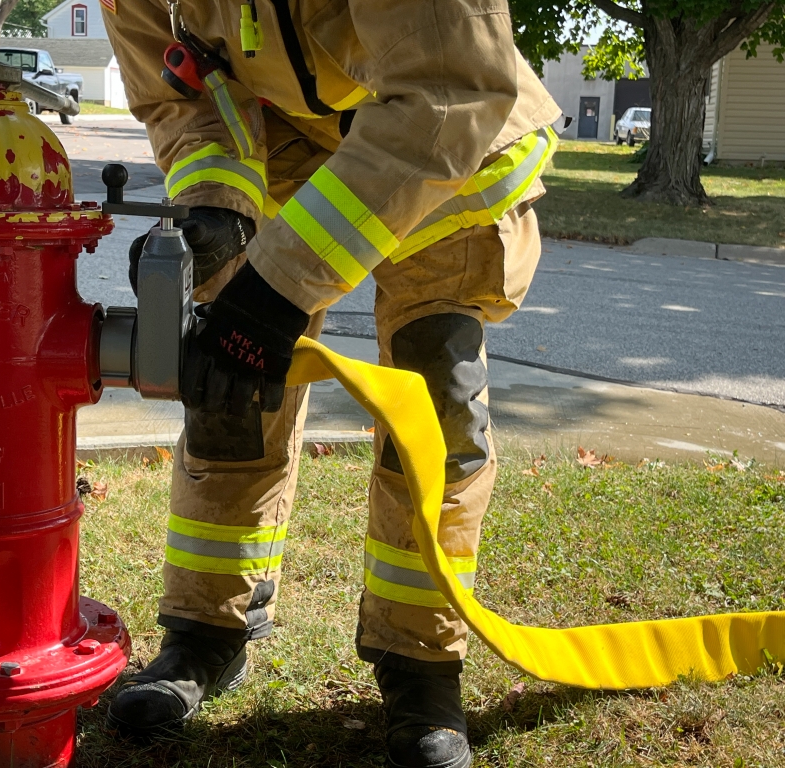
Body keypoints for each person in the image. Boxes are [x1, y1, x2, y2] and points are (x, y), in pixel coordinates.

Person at [102, 1, 560, 765]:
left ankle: (421, 667)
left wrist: (278, 289)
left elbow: (451, 90)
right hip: (283, 152)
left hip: (446, 149)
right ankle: (207, 632)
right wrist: (216, 209)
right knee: (227, 396)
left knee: (435, 405)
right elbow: (183, 100)